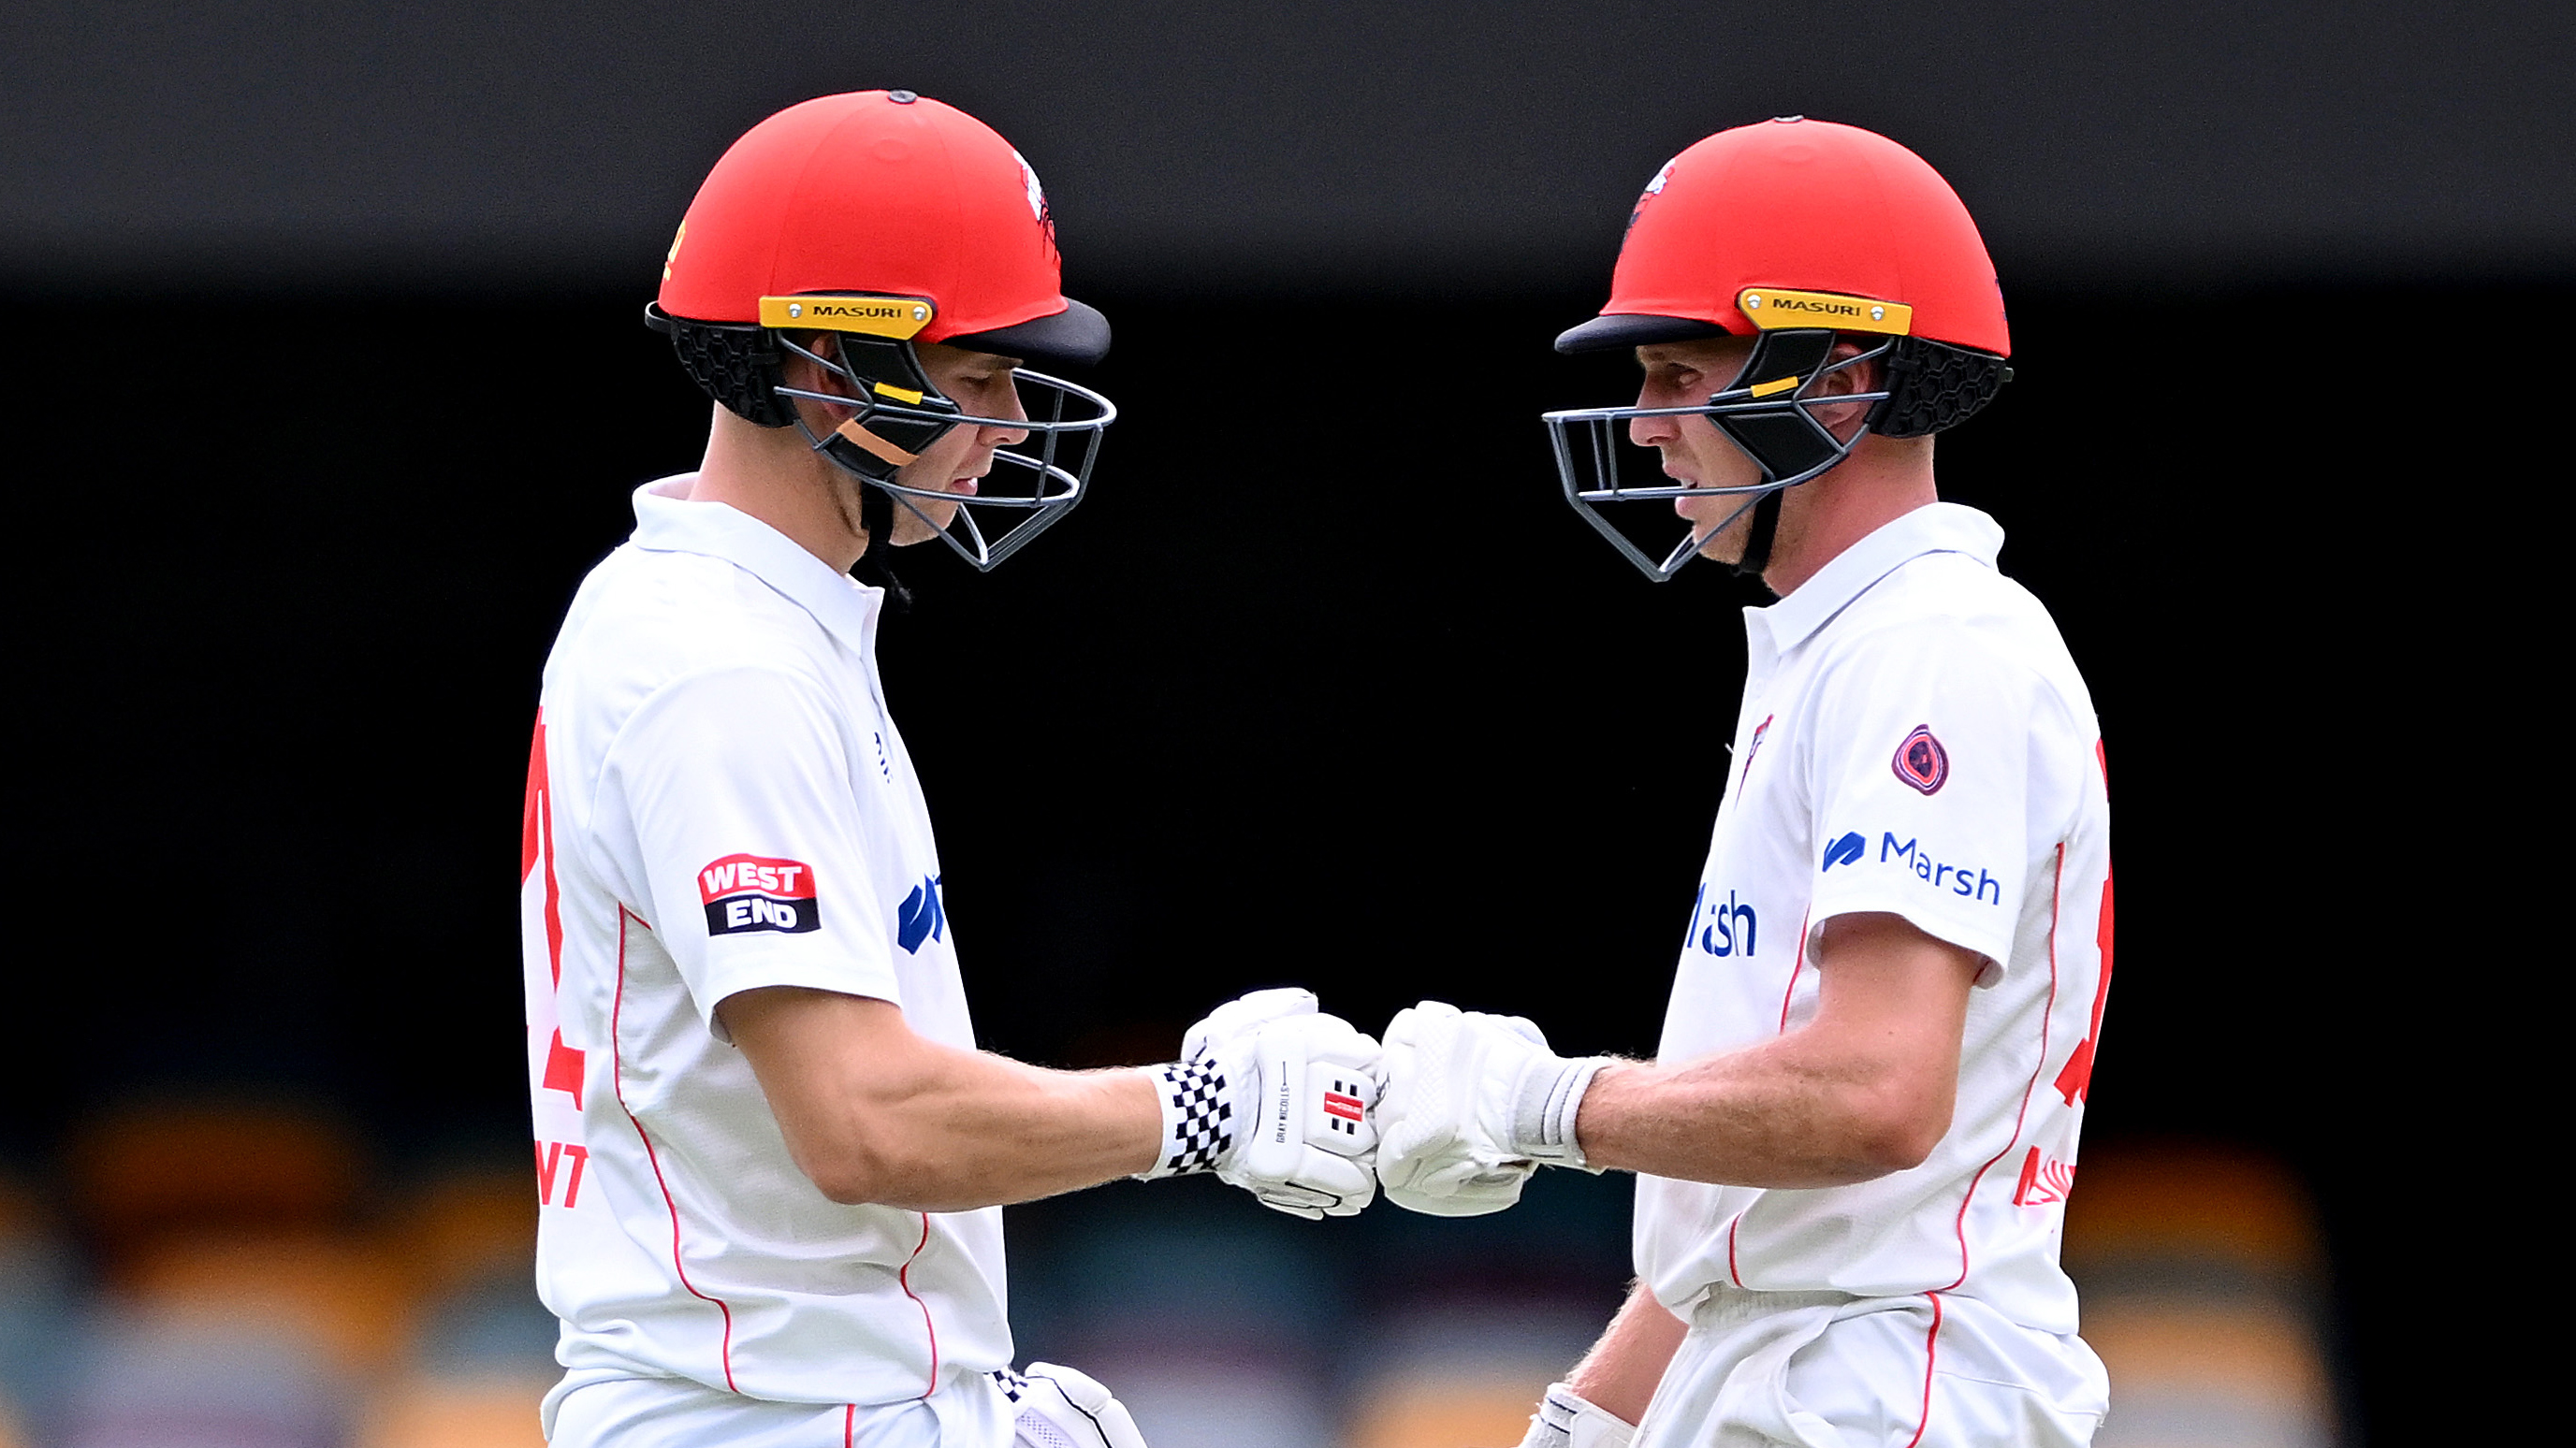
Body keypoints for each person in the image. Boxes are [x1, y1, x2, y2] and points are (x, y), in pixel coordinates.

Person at [517, 91, 1380, 1448]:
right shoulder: (723, 664)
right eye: (975, 379)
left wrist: (957, 1394)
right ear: (818, 370)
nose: (1005, 426)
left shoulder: (741, 618)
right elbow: (861, 1121)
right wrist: (1194, 1112)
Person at [1371, 118, 2116, 1448]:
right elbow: (1750, 1204)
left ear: (1832, 386)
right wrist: (1588, 1419)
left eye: (1675, 373)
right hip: (1800, 1364)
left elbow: (1875, 1095)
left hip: (1878, 1380)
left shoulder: (1926, 648)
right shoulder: (1845, 644)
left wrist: (1543, 1105)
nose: (1649, 430)